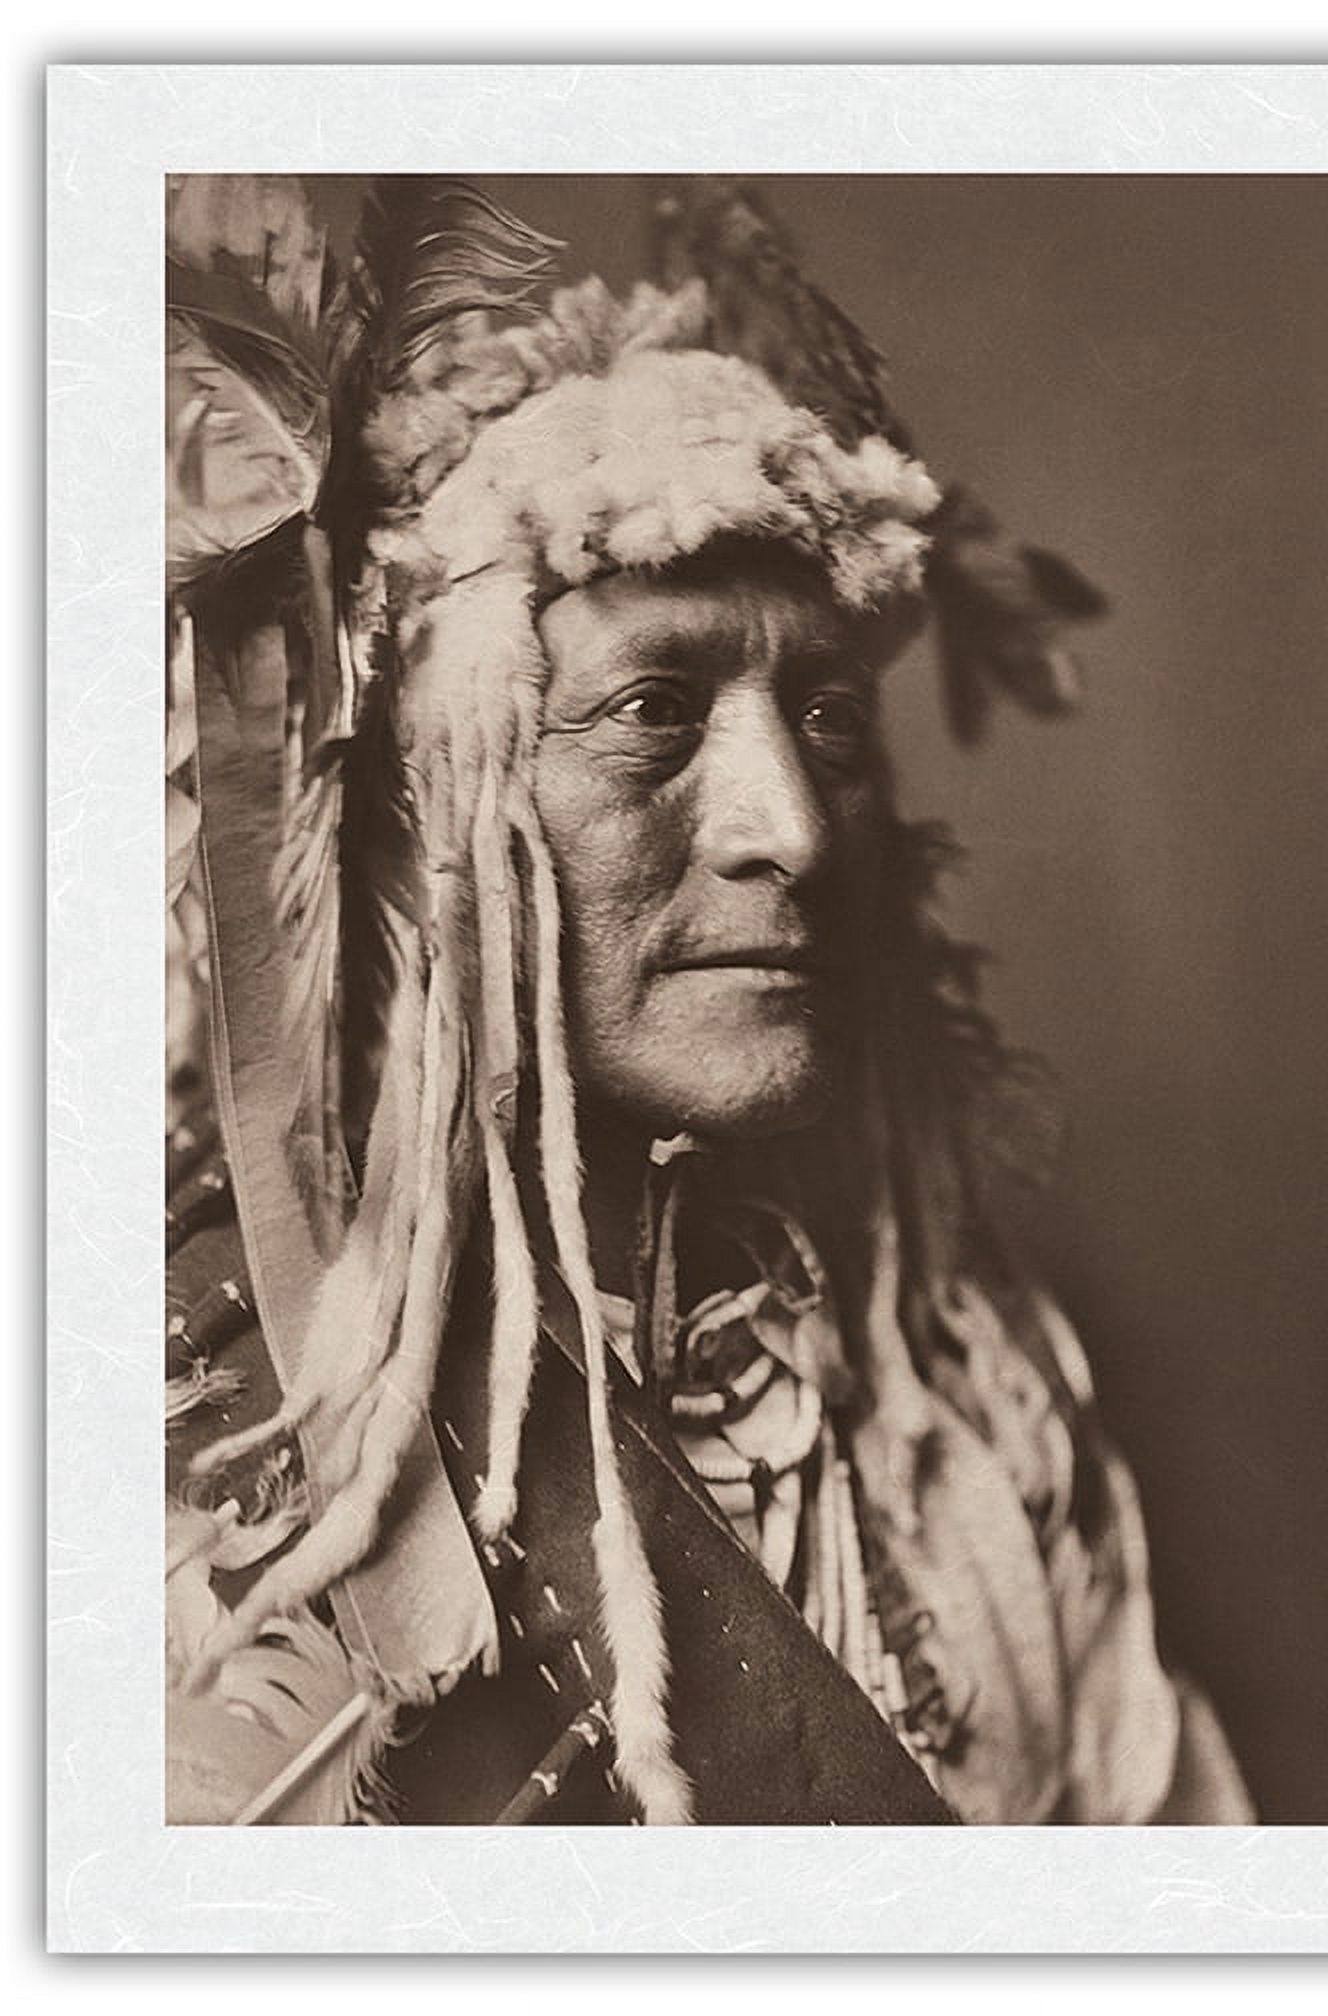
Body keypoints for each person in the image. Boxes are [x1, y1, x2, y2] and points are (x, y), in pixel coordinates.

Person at [164, 174, 1253, 1827]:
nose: (793, 831)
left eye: (823, 718)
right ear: (410, 831)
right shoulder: (177, 1437)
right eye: (654, 710)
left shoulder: (958, 1388)